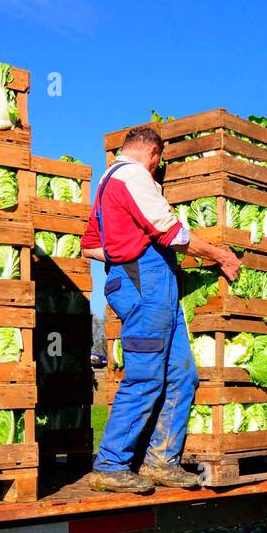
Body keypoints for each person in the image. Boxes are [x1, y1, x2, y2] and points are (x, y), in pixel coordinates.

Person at [81, 125, 241, 493]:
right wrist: (220, 255)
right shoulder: (132, 176)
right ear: (153, 155)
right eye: (159, 163)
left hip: (153, 288)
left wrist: (121, 250)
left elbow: (89, 245)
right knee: (146, 378)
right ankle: (110, 463)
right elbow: (172, 233)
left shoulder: (107, 185)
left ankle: (161, 461)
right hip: (145, 286)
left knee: (183, 375)